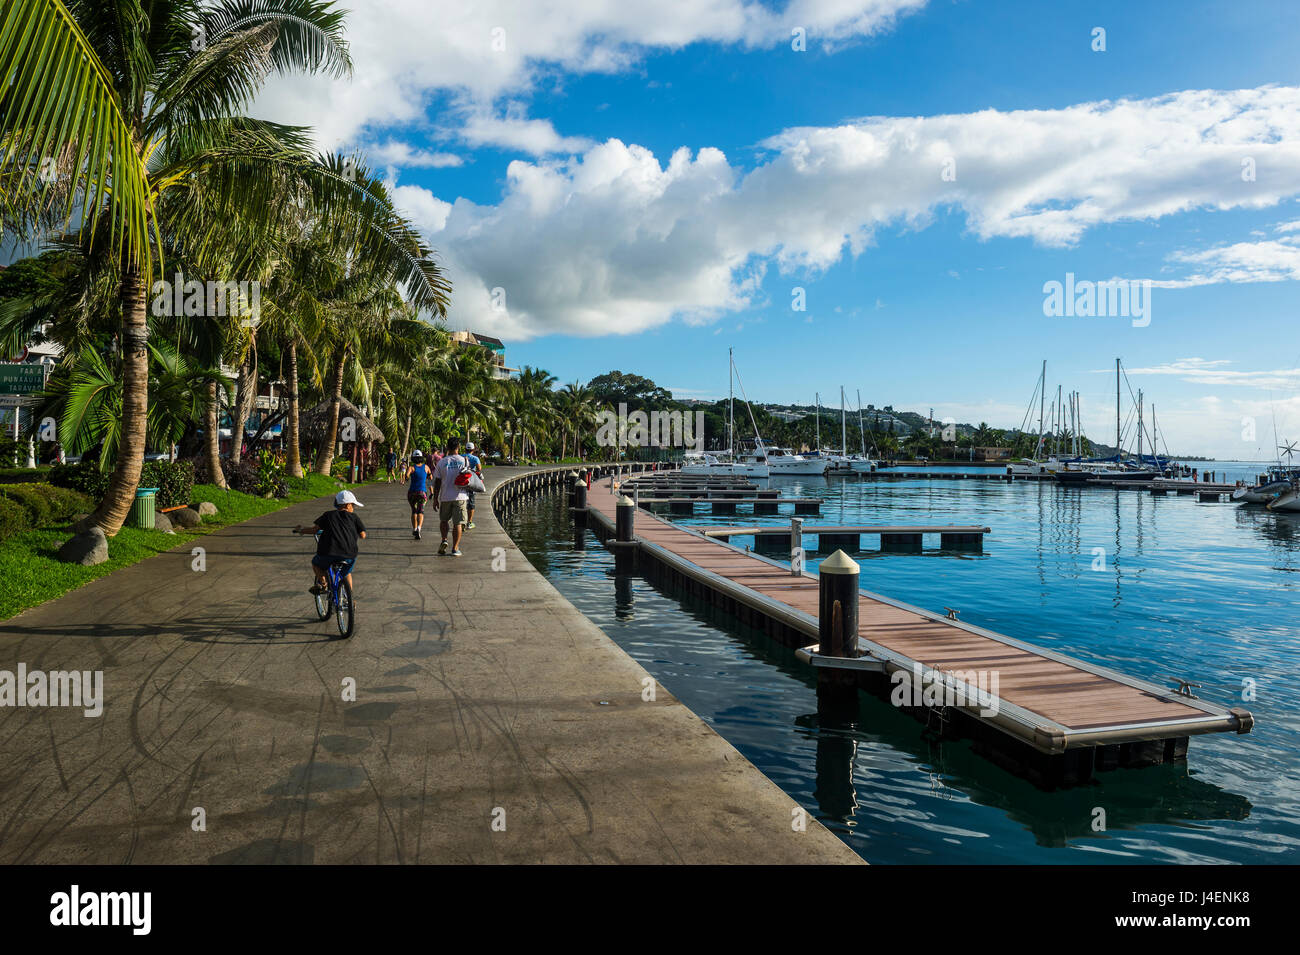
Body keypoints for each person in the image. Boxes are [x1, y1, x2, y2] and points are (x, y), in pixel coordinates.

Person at [293, 489, 366, 595]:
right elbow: (363, 535)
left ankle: (324, 585)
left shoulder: (328, 515)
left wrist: (301, 530)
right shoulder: (354, 517)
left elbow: (314, 530)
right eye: (353, 506)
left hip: (328, 553)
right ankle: (349, 599)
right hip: (350, 555)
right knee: (346, 573)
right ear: (347, 505)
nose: (353, 508)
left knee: (316, 564)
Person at [433, 437, 471, 556]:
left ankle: (444, 540)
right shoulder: (464, 460)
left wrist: (435, 499)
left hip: (445, 496)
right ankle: (455, 548)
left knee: (444, 521)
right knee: (457, 523)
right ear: (458, 447)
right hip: (460, 496)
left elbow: (437, 482)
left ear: (447, 447)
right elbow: (468, 477)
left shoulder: (442, 462)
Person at [405, 450, 433, 540]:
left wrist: (407, 477)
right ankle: (419, 528)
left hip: (412, 492)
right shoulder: (426, 467)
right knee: (420, 511)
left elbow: (406, 476)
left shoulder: (411, 467)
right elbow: (430, 479)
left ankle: (414, 528)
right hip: (422, 492)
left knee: (414, 511)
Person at [464, 441, 482, 529]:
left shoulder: (461, 456)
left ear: (465, 449)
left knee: (462, 501)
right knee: (471, 502)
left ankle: (462, 521)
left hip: (462, 481)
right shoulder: (475, 458)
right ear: (473, 449)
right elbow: (479, 469)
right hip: (471, 481)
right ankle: (469, 522)